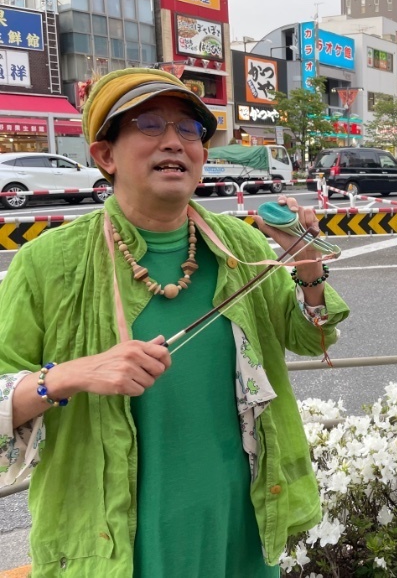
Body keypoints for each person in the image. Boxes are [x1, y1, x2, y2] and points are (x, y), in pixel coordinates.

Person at [0, 68, 349, 576]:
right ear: (104, 155)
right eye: (148, 125)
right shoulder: (48, 263)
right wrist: (74, 374)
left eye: (189, 130)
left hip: (242, 515)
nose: (174, 142)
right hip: (115, 536)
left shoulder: (241, 245)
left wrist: (304, 259)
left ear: (204, 156)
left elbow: (310, 335)